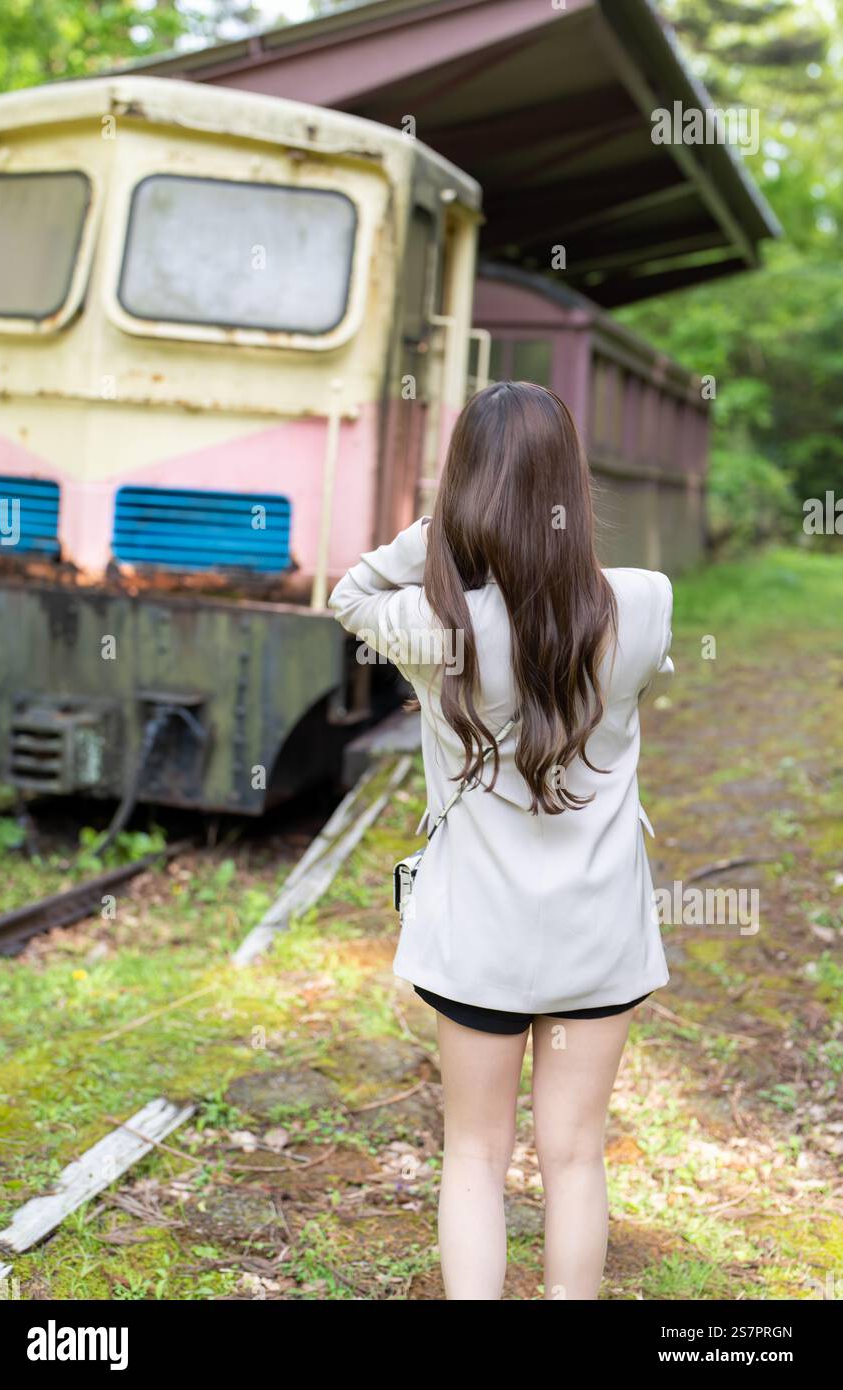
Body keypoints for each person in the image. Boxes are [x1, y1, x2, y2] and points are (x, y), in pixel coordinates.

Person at [327, 381, 673, 1300]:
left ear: (466, 489)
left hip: (477, 940)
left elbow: (350, 590)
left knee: (474, 1155)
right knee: (575, 1158)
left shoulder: (435, 629)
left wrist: (445, 529)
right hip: (599, 939)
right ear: (573, 484)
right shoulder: (641, 605)